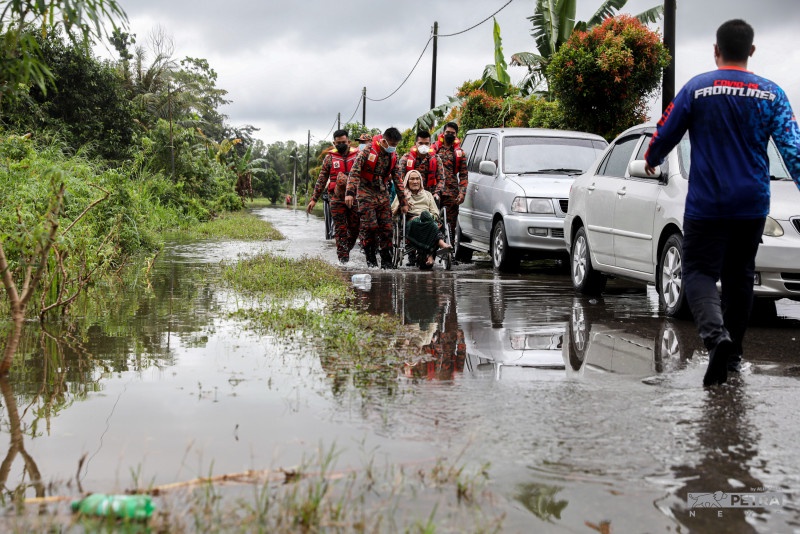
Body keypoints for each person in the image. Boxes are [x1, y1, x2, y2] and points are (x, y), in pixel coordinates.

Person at [644, 19, 800, 387]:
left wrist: (652, 157)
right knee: (740, 277)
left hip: (707, 203)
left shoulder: (696, 89)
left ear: (716, 51)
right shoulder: (772, 93)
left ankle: (717, 339)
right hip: (751, 205)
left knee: (698, 273)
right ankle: (733, 357)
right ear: (751, 51)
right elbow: (792, 149)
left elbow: (665, 131)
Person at [346, 127, 408, 268]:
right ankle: (371, 260)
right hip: (365, 191)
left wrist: (403, 201)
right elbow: (354, 172)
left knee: (387, 228)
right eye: (391, 144)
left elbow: (398, 179)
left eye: (395, 145)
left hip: (382, 193)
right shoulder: (367, 151)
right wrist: (350, 193)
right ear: (383, 140)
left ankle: (387, 262)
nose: (393, 147)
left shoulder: (393, 156)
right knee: (370, 227)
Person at [306, 129, 360, 263]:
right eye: (338, 143)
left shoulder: (358, 155)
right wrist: (314, 199)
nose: (341, 144)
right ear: (334, 143)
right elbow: (322, 179)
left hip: (355, 198)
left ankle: (346, 250)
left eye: (344, 142)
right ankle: (343, 260)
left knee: (355, 228)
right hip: (336, 198)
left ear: (349, 141)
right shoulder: (329, 158)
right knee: (340, 229)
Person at [391, 170, 452, 267]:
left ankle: (428, 254)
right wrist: (403, 205)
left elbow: (435, 212)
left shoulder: (427, 194)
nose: (415, 181)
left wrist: (429, 217)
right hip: (411, 222)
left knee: (425, 215)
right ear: (407, 181)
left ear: (420, 181)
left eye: (417, 179)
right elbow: (393, 212)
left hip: (428, 220)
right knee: (424, 220)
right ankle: (437, 247)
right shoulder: (402, 195)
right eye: (412, 179)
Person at [431, 122, 467, 248]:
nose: (450, 135)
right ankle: (428, 251)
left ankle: (450, 250)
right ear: (443, 133)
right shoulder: (434, 148)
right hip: (434, 190)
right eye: (448, 133)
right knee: (432, 220)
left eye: (453, 133)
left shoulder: (459, 153)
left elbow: (463, 174)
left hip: (452, 191)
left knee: (451, 224)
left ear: (456, 135)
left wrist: (462, 193)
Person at [396, 130, 444, 196]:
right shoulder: (406, 158)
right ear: (415, 143)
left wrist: (436, 193)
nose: (423, 146)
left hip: (430, 196)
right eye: (421, 143)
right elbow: (400, 177)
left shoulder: (436, 158)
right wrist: (404, 193)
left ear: (430, 144)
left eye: (426, 143)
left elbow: (441, 179)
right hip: (410, 196)